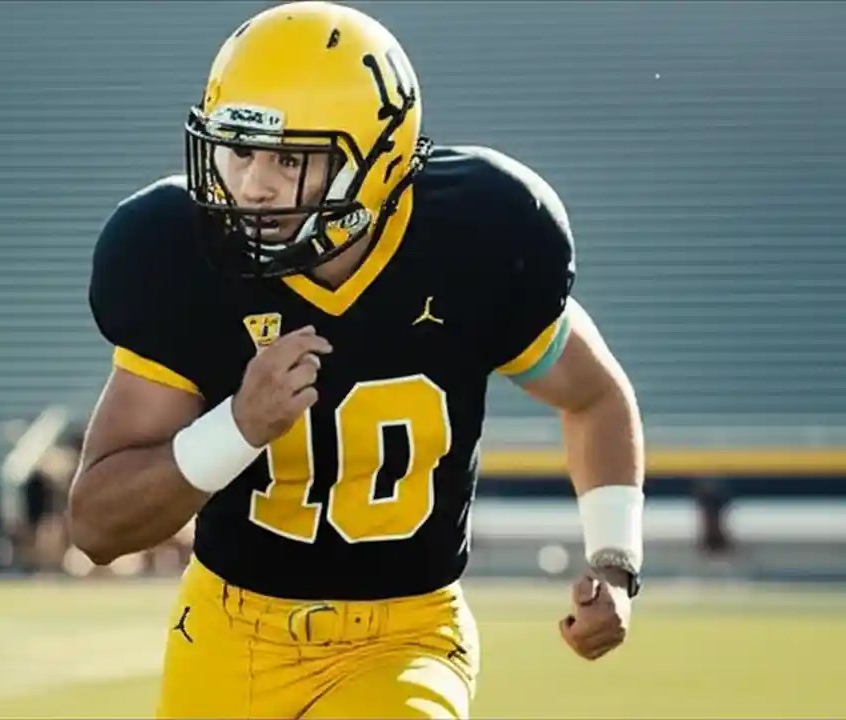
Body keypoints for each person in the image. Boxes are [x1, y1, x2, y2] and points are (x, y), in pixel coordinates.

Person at [67, 2, 645, 717]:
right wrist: (237, 428)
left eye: (290, 159)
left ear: (378, 161)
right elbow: (96, 527)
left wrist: (613, 561)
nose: (252, 186)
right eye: (239, 151)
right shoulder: (175, 255)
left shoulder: (480, 235)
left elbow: (592, 397)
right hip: (229, 630)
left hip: (406, 635)